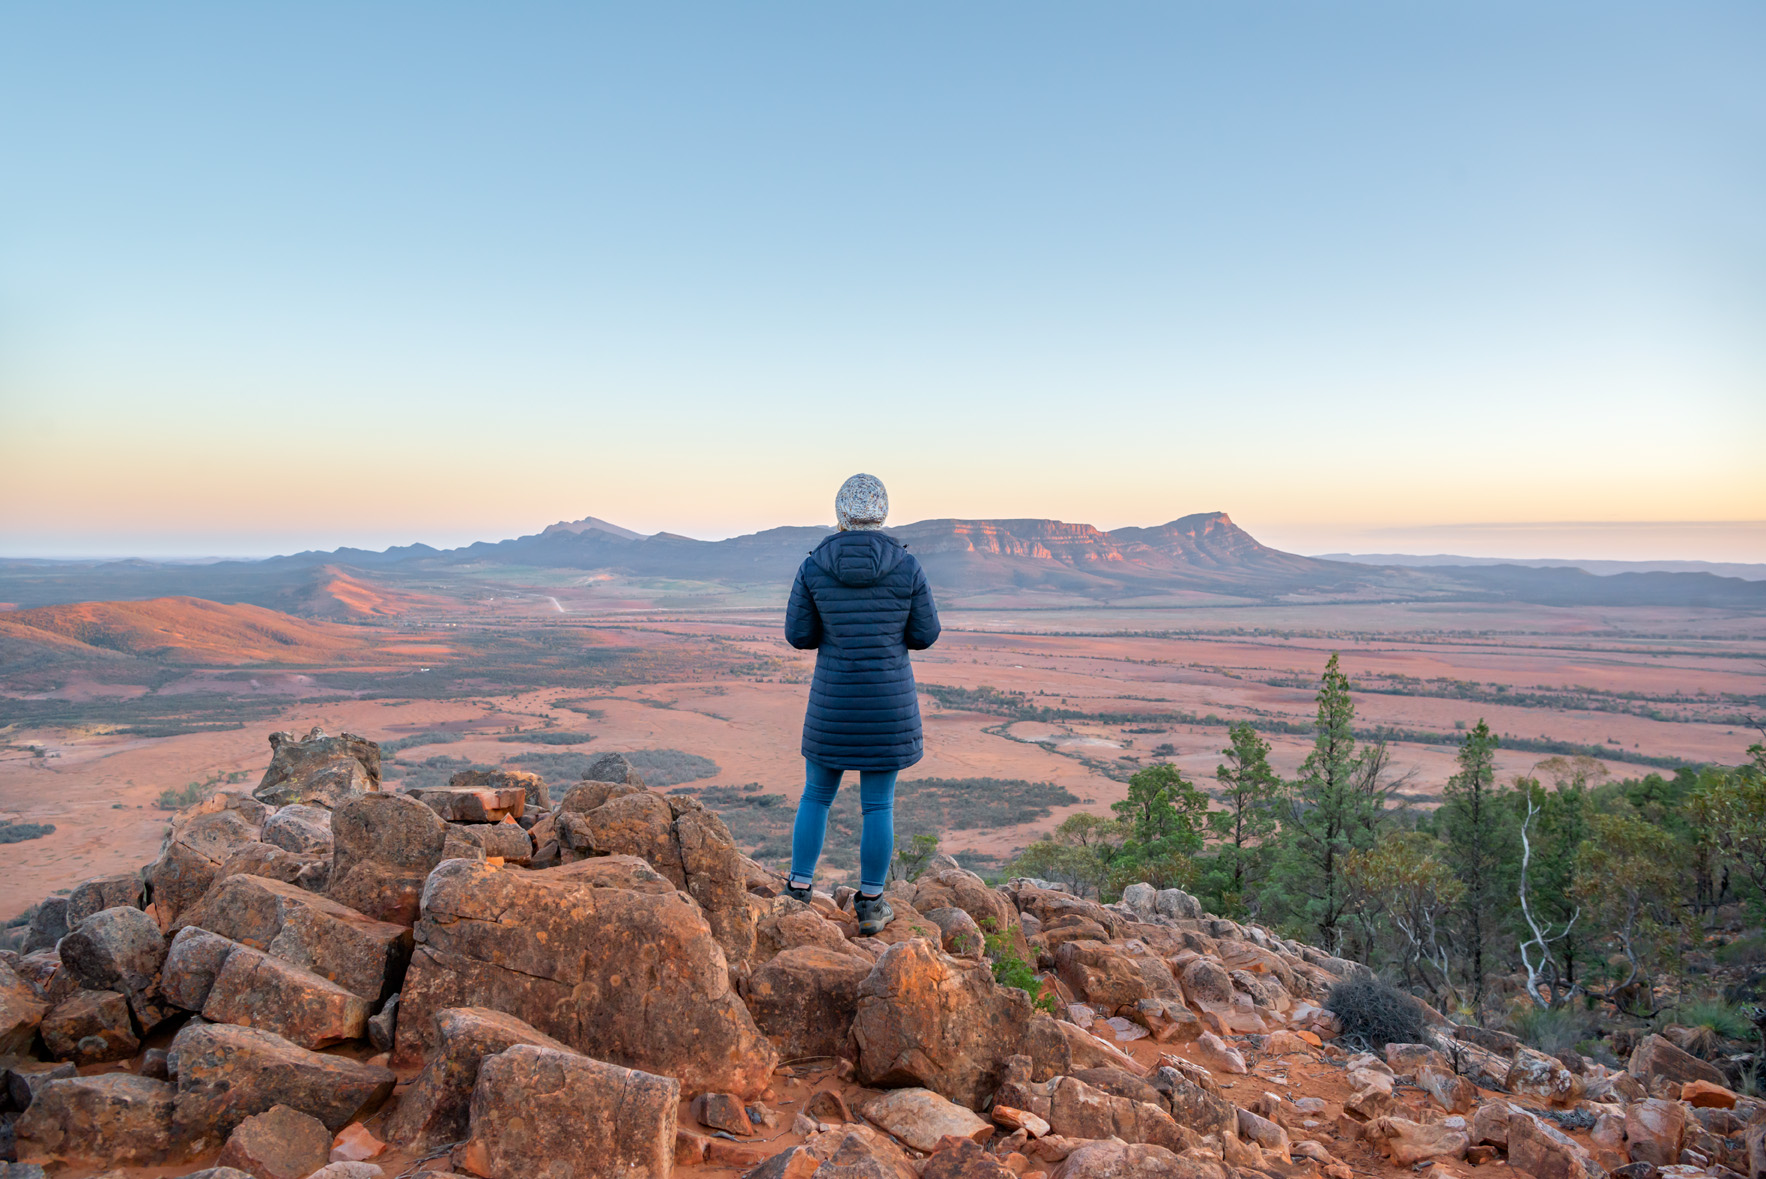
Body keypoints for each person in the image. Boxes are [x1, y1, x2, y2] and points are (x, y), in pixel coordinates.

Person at [783, 473, 941, 934]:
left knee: (816, 795)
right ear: (883, 512)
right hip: (888, 706)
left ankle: (797, 890)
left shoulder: (814, 565)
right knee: (878, 805)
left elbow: (799, 635)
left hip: (833, 703)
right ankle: (871, 904)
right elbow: (925, 635)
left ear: (840, 514)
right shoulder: (906, 566)